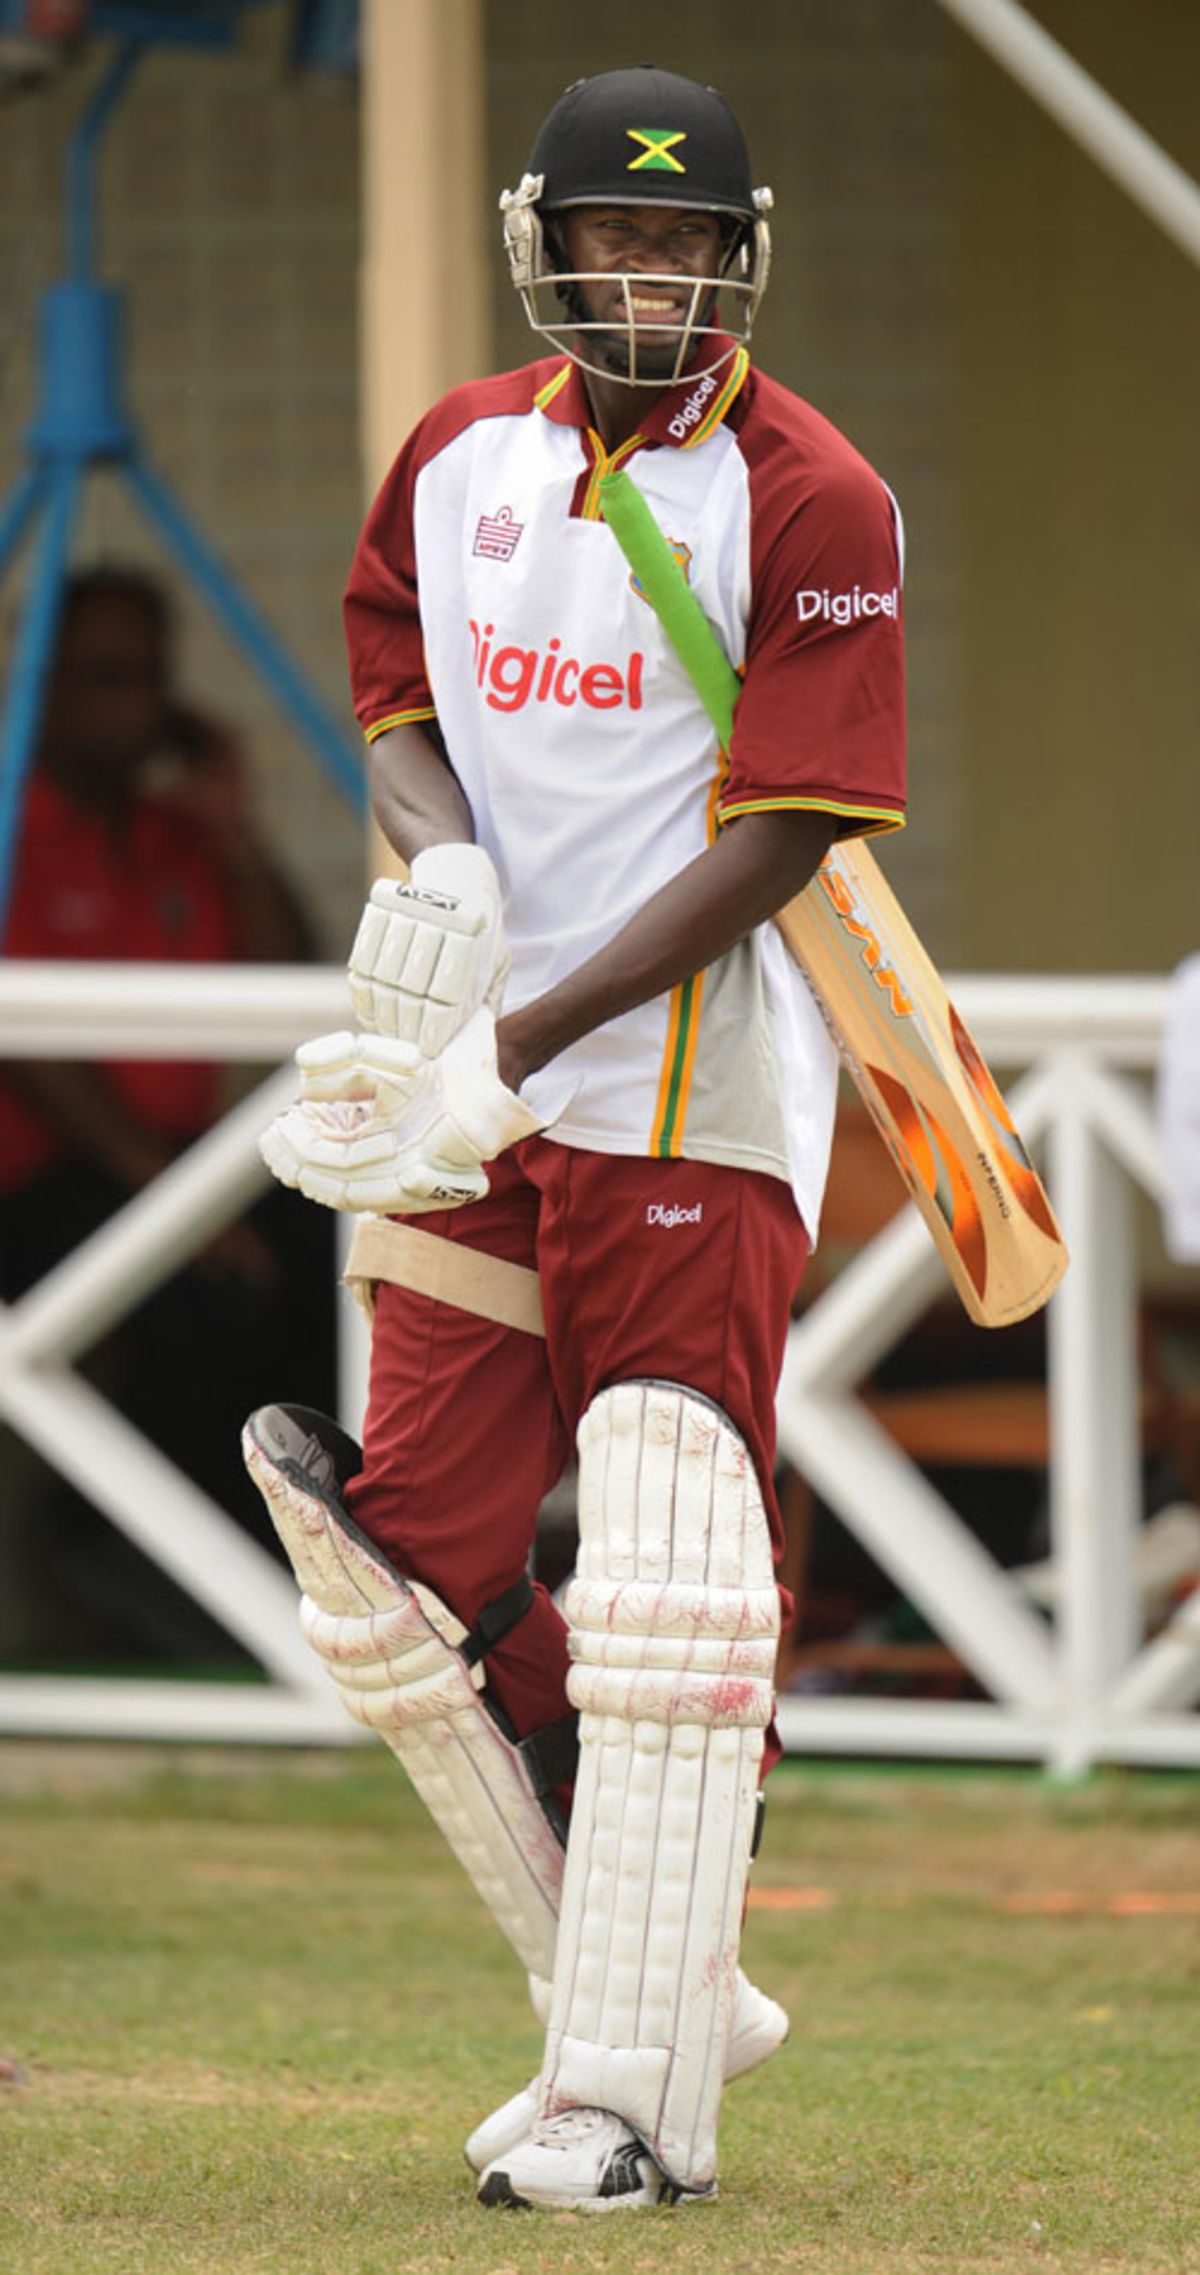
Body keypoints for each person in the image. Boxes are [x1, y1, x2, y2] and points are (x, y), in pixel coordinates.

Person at [246, 65, 906, 2212]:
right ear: (549, 245)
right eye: (619, 243)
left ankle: (628, 2105)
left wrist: (515, 1040)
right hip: (475, 1089)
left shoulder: (813, 493)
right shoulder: (457, 455)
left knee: (672, 1586)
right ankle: (672, 1957)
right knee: (397, 1561)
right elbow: (401, 712)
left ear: (742, 257)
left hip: (690, 1096)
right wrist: (440, 898)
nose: (654, 277)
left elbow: (795, 827)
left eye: (690, 244)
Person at [0, 564, 336, 1656]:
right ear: (39, 683)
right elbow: (48, 1066)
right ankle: (144, 1558)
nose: (129, 704)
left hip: (175, 1172)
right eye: (101, 676)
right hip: (45, 1183)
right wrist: (181, 1206)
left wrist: (232, 826)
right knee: (200, 1295)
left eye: (146, 679)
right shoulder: (13, 821)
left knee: (337, 1245)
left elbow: (291, 978)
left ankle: (319, 1569)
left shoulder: (173, 827)